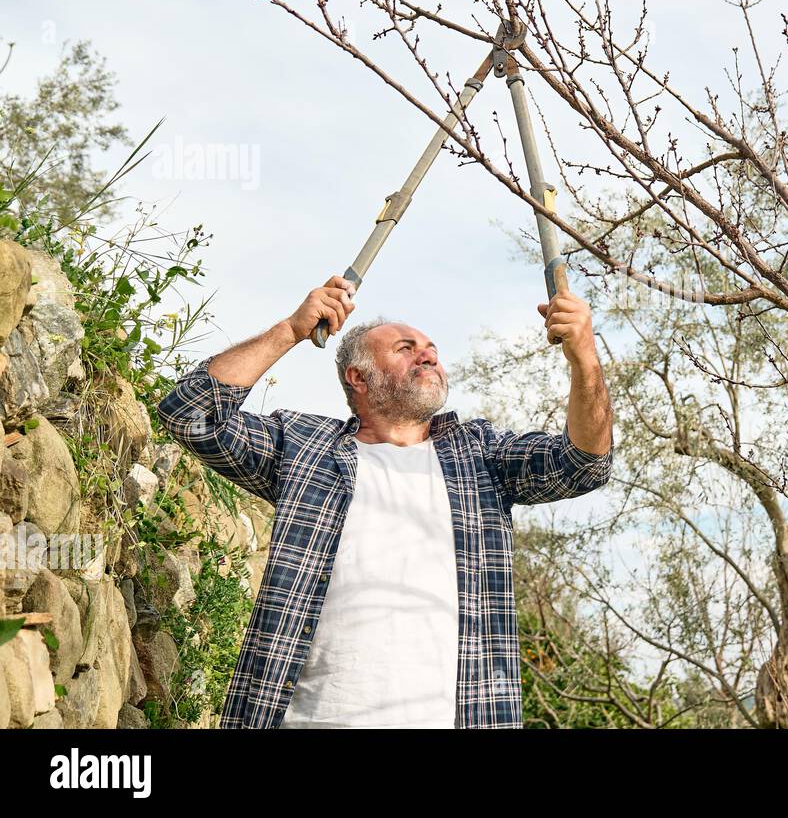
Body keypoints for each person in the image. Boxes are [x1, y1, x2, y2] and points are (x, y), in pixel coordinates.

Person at [156, 275, 614, 728]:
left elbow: (583, 465)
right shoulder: (303, 448)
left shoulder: (480, 456)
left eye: (431, 347)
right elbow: (188, 413)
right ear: (358, 377)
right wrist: (292, 329)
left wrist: (585, 357)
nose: (428, 353)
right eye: (405, 348)